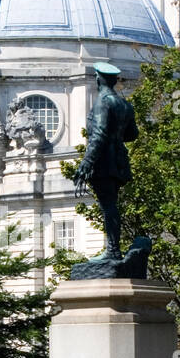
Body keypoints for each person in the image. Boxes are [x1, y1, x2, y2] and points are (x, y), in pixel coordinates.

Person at [74, 62, 138, 261]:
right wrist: (116, 135)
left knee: (108, 206)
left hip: (105, 161)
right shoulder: (124, 104)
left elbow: (99, 134)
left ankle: (112, 250)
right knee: (111, 205)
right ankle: (113, 248)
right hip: (118, 160)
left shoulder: (103, 101)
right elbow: (133, 134)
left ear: (98, 79)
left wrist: (86, 162)